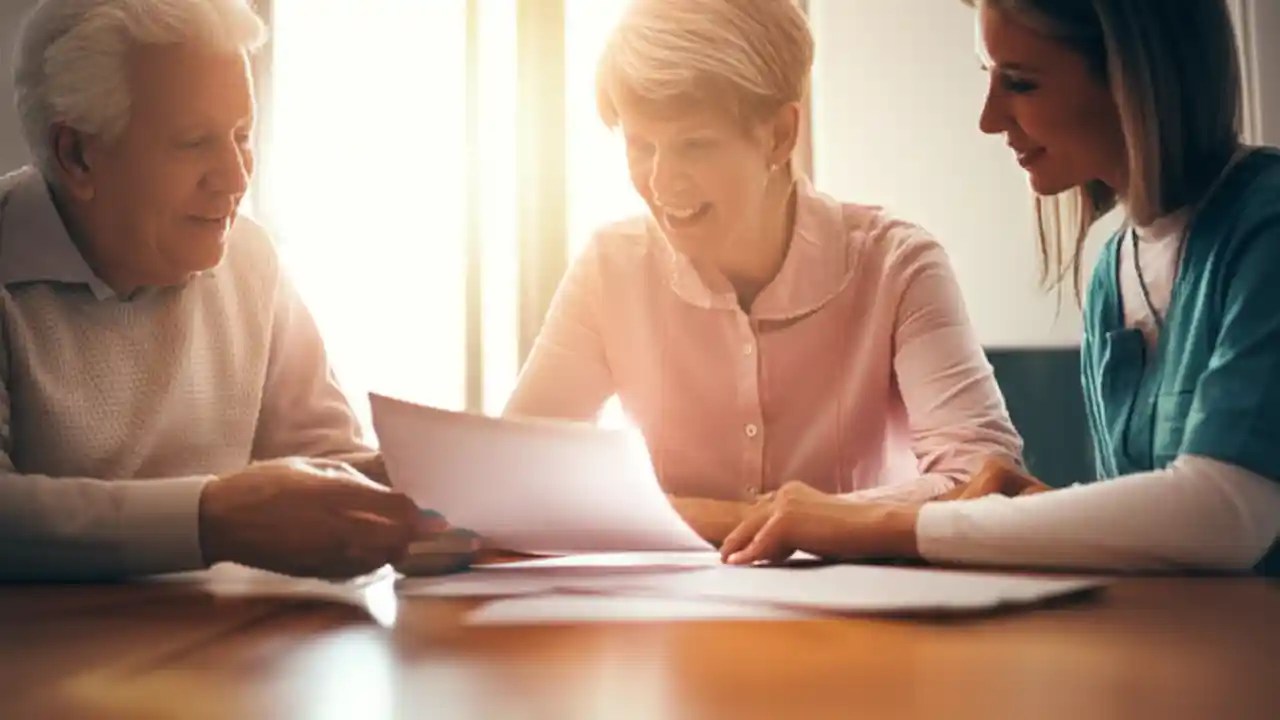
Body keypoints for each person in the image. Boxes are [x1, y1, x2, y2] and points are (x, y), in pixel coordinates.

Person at [720, 0, 1280, 575]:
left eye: (1020, 83)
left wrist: (881, 524)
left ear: (1136, 79)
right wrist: (1043, 508)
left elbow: (1229, 512)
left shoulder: (1266, 224)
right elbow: (1163, 533)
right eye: (990, 79)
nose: (989, 119)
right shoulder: (1115, 268)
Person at [504, 0, 1023, 544]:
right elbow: (514, 476)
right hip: (671, 617)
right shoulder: (610, 270)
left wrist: (663, 514)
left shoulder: (898, 266)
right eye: (641, 146)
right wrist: (798, 521)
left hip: (859, 616)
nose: (661, 182)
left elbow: (988, 479)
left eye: (694, 146)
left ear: (779, 135)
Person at [0, 0, 470, 581]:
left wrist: (446, 485)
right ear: (77, 155)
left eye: (242, 134)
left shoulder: (250, 258)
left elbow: (325, 462)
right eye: (195, 141)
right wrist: (212, 519)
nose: (236, 175)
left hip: (221, 651)